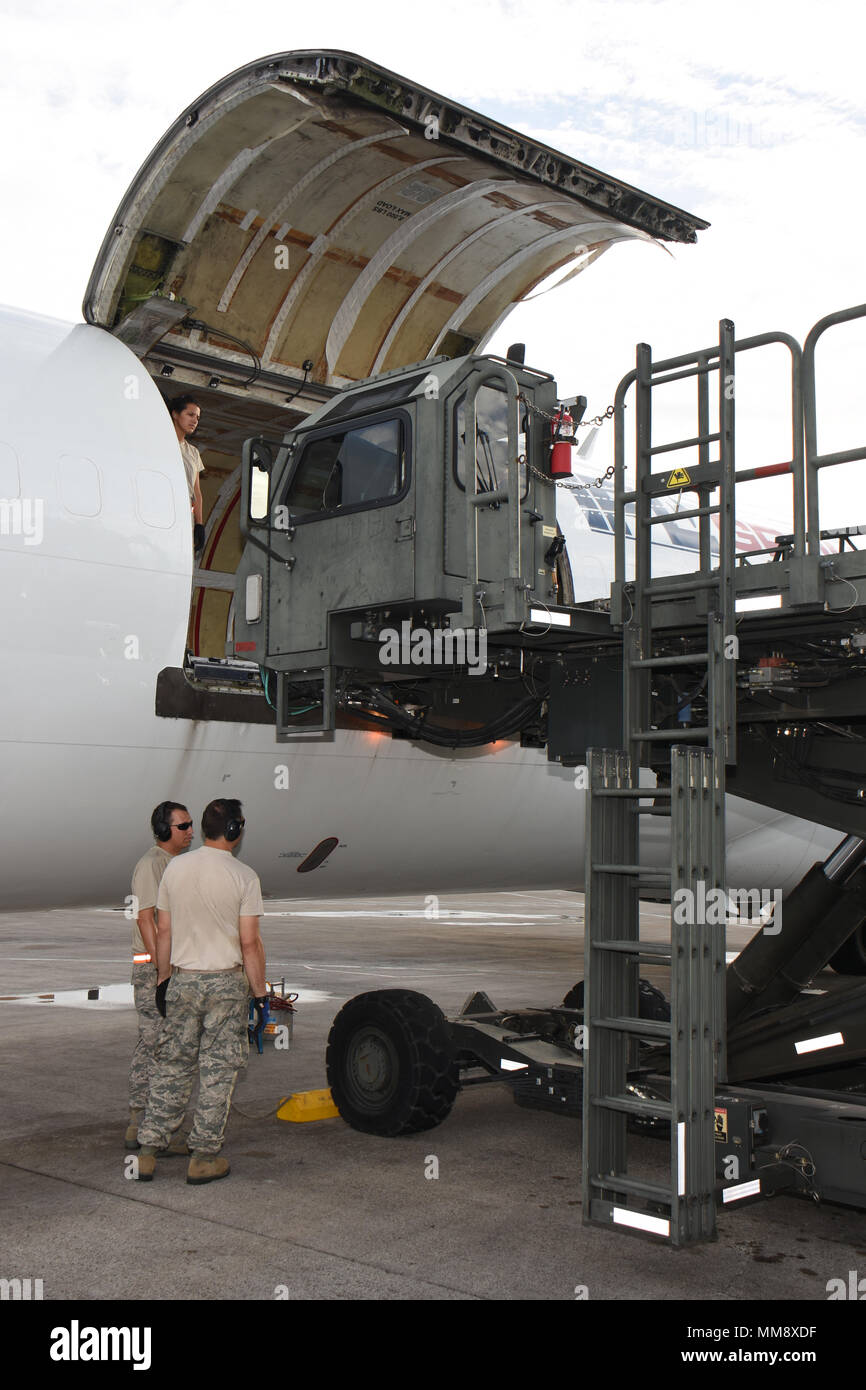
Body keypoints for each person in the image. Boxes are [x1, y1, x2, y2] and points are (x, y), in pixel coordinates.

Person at [135, 798, 267, 1185]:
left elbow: (163, 930)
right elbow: (249, 944)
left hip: (182, 980)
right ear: (233, 830)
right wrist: (259, 995)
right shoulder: (245, 876)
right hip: (225, 983)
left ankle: (148, 1150)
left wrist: (163, 980)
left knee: (171, 1064)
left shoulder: (175, 868)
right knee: (217, 1070)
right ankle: (203, 1156)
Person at [125, 802, 194, 1149]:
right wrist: (161, 970)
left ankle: (148, 1123)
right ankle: (149, 1127)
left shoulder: (176, 864)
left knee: (159, 1045)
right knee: (158, 1044)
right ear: (164, 830)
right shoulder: (152, 864)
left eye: (191, 825)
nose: (190, 832)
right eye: (183, 826)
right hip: (154, 969)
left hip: (169, 966)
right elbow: (144, 917)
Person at [167, 394, 206, 552]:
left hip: (185, 515)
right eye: (190, 415)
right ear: (175, 414)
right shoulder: (160, 443)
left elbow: (196, 491)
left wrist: (199, 524)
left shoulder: (193, 452)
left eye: (197, 417)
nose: (195, 420)